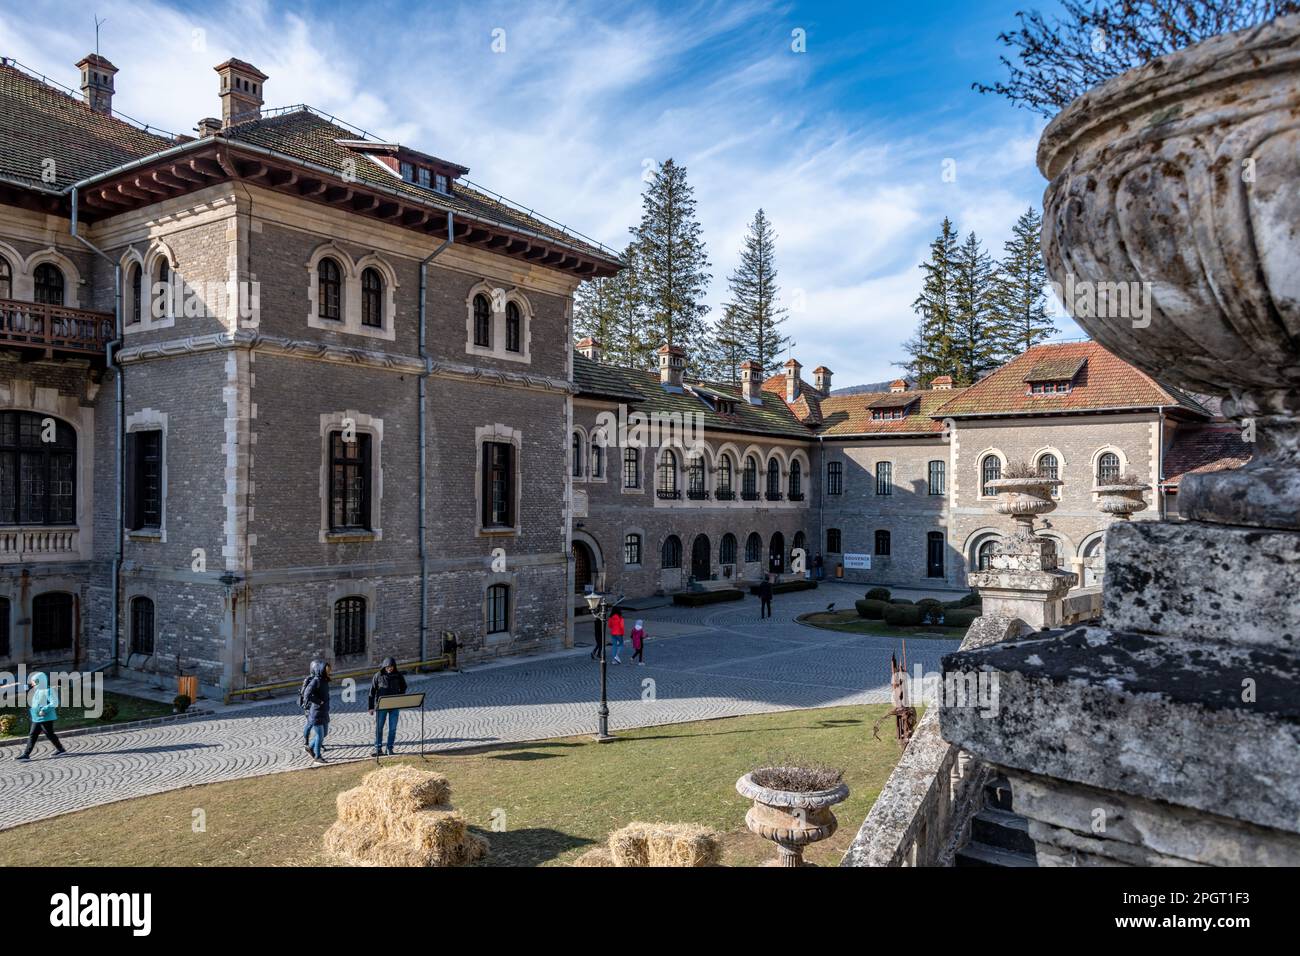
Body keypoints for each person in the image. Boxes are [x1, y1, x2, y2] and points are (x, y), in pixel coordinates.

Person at [6, 672, 67, 760]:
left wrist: (44, 710)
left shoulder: (48, 690)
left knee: (47, 734)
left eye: (34, 682)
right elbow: (26, 691)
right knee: (35, 735)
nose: (32, 684)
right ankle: (26, 755)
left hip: (45, 718)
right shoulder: (37, 690)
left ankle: (60, 749)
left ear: (40, 681)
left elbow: (55, 702)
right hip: (37, 718)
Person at [367, 657, 407, 757]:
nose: (390, 669)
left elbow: (404, 686)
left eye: (391, 667)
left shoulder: (398, 675)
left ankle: (389, 748)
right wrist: (371, 707)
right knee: (379, 728)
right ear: (384, 667)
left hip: (394, 705)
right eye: (388, 667)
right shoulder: (378, 676)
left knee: (392, 728)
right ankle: (378, 748)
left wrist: (399, 696)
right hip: (382, 706)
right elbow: (372, 692)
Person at [300, 659, 331, 764]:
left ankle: (310, 747)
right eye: (327, 669)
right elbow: (307, 694)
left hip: (324, 712)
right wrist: (319, 702)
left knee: (325, 733)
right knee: (320, 735)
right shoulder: (316, 681)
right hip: (317, 712)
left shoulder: (324, 679)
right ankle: (317, 756)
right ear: (321, 670)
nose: (329, 671)